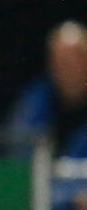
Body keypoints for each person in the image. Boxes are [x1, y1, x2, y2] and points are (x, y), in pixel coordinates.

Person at [8, 20, 87, 155]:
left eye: (74, 58)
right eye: (61, 60)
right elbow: (18, 146)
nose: (67, 67)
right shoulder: (34, 101)